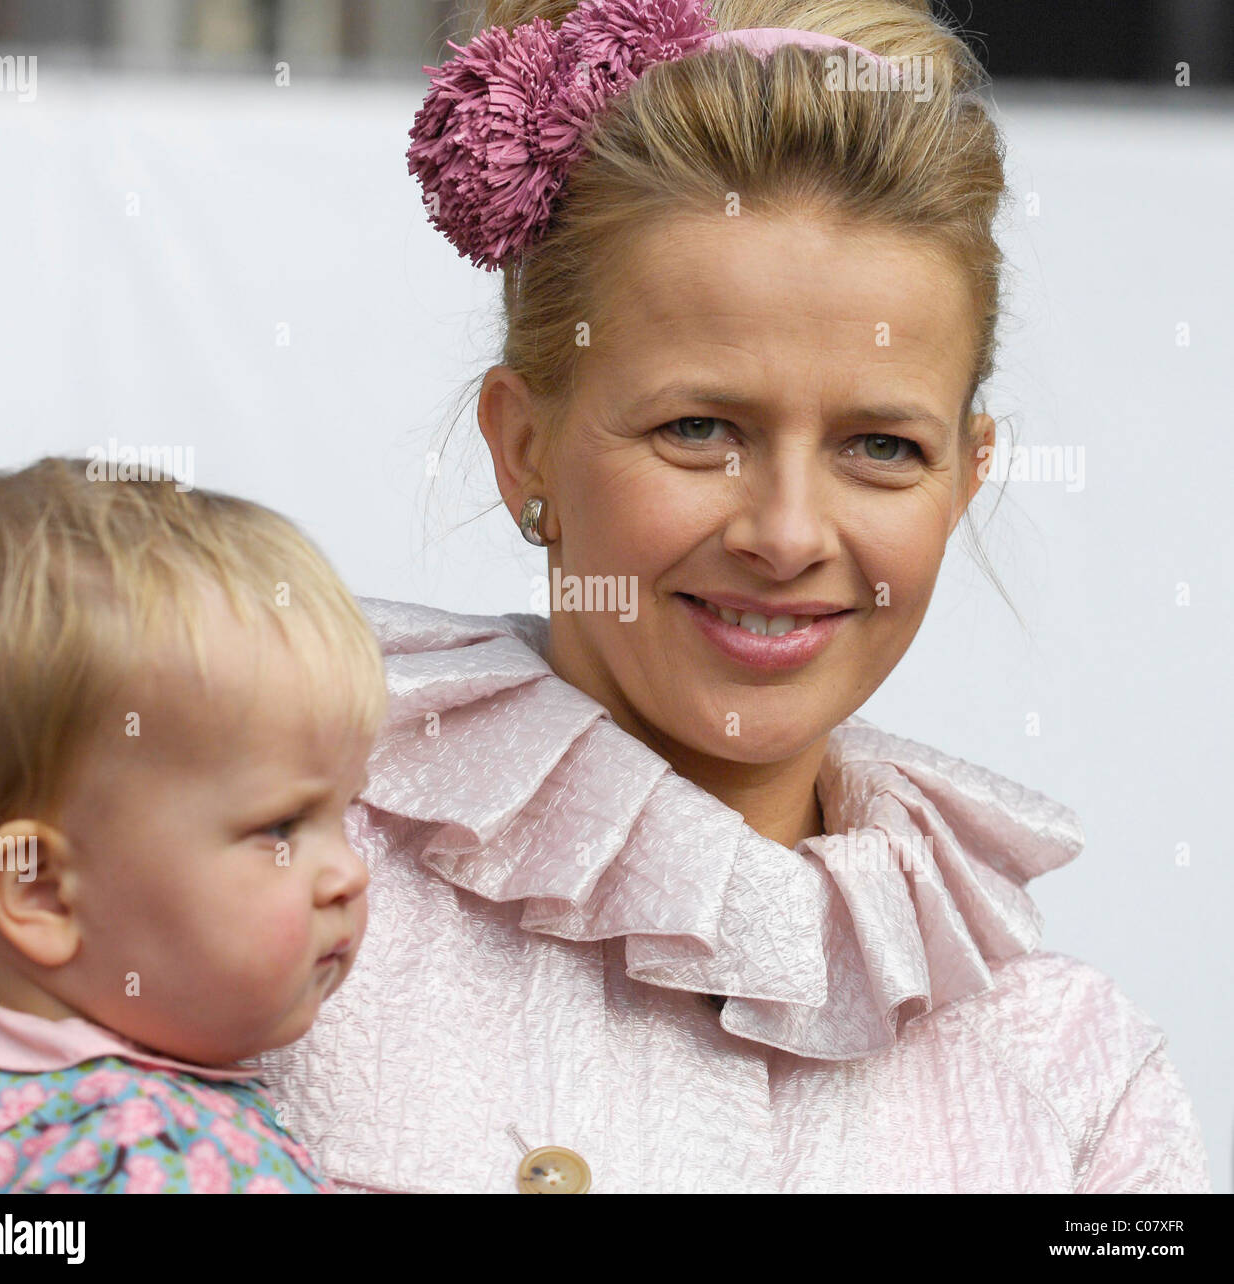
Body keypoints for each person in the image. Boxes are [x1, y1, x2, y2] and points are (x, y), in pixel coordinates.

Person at [257, 0, 1212, 1192]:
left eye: (880, 448)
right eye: (698, 429)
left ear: (967, 480)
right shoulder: (255, 892)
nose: (786, 534)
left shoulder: (1069, 1070)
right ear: (524, 449)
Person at [0, 457, 384, 1193]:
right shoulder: (161, 1154)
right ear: (42, 890)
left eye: (345, 812)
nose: (352, 874)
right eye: (280, 829)